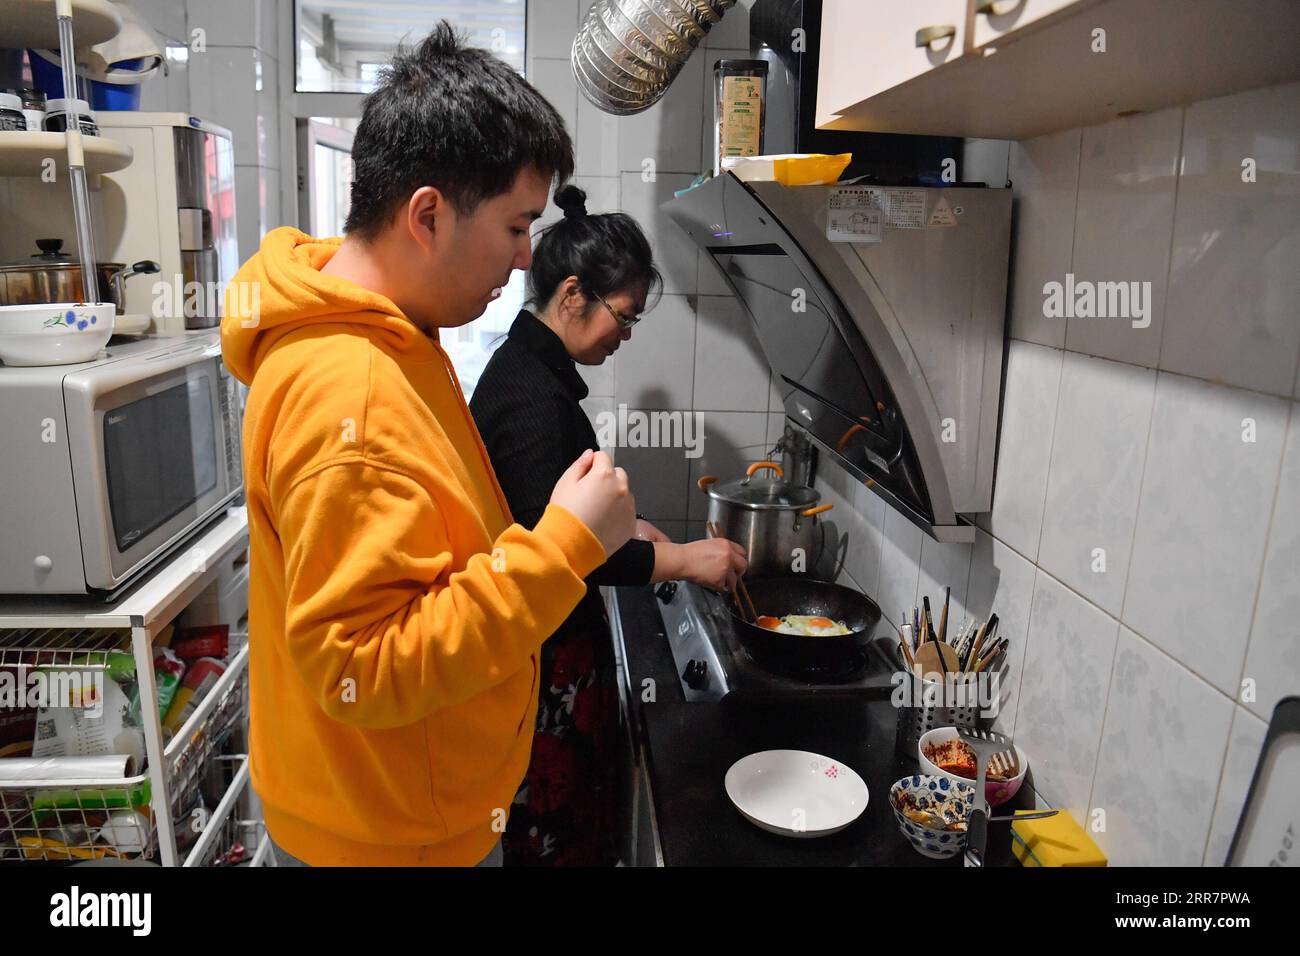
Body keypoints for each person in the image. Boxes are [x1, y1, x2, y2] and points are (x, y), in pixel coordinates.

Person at [219, 24, 636, 867]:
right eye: (518, 226)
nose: (527, 258)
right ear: (428, 214)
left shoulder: (387, 336)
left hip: (388, 808)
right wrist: (563, 547)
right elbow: (363, 667)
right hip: (384, 838)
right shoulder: (351, 389)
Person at [470, 184, 748, 865]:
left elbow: (569, 522)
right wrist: (684, 559)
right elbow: (565, 554)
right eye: (623, 318)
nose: (625, 336)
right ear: (572, 297)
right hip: (543, 666)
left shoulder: (534, 373)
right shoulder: (532, 398)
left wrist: (638, 530)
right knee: (558, 838)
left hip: (550, 652)